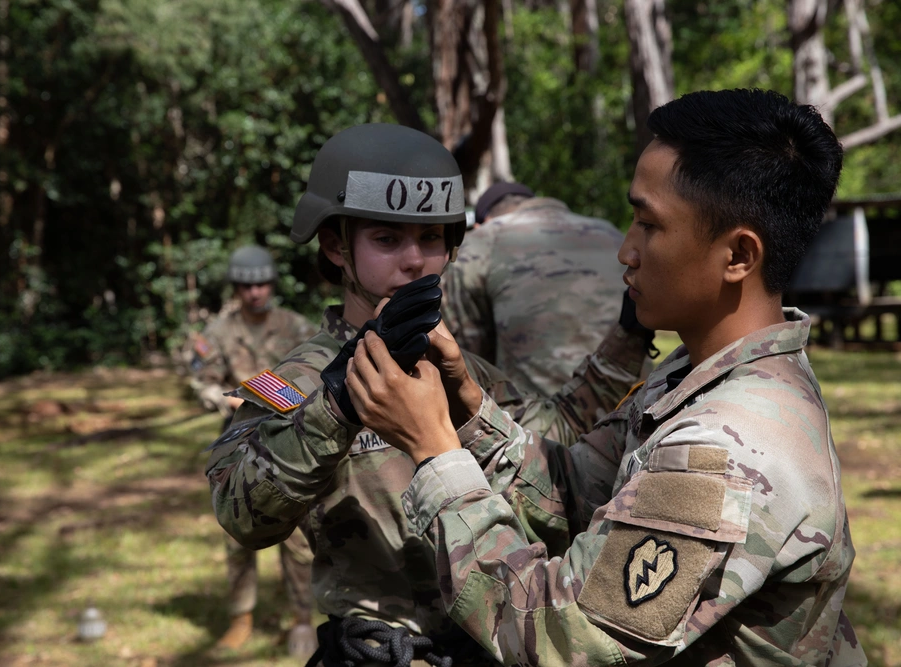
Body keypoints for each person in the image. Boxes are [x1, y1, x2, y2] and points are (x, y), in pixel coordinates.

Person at [345, 89, 867, 665]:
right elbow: (574, 487)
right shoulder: (696, 378)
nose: (626, 251)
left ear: (739, 255)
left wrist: (434, 453)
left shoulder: (726, 450)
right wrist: (468, 410)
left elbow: (556, 638)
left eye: (649, 224)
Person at [205, 123, 651, 667]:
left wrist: (628, 336)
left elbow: (555, 451)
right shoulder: (299, 381)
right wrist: (337, 405)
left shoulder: (465, 369)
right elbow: (242, 513)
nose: (415, 261)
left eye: (432, 238)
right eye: (387, 239)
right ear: (335, 245)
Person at [187, 244, 319, 656]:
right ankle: (240, 618)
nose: (255, 292)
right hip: (240, 445)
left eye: (262, 284)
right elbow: (199, 379)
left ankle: (303, 621)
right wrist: (221, 396)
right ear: (236, 288)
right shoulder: (218, 333)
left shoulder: (298, 326)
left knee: (299, 537)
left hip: (292, 441)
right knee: (238, 533)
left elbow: (320, 374)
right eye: (247, 285)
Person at [442, 182, 638, 396]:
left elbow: (468, 364)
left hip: (534, 420)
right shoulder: (611, 233)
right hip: (634, 411)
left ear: (482, 224)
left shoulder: (481, 243)